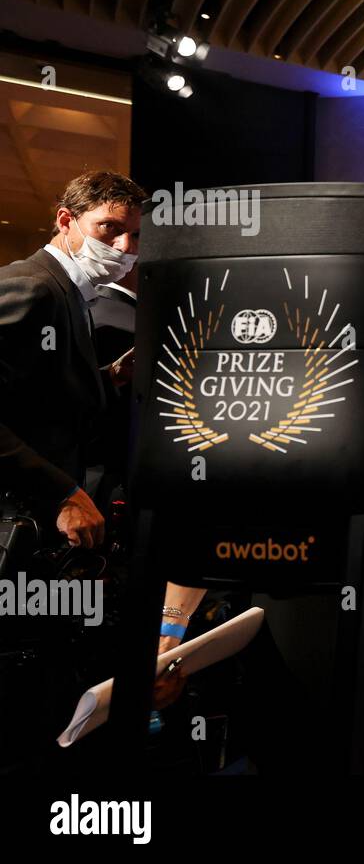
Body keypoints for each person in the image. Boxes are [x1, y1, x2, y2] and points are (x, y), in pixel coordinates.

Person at [0, 170, 156, 771]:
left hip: (40, 541)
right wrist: (62, 490)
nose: (123, 249)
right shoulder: (31, 286)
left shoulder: (69, 297)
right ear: (66, 221)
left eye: (132, 236)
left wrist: (108, 379)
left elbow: (37, 402)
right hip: (14, 529)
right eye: (108, 230)